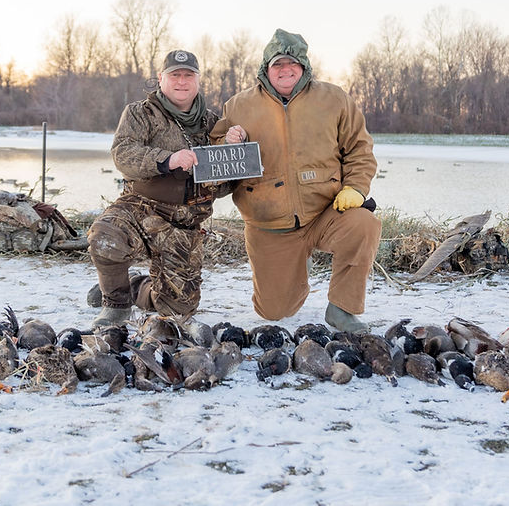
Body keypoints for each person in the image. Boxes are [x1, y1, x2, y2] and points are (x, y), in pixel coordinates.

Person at [210, 29, 382, 333]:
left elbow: (360, 149)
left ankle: (342, 309)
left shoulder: (335, 99)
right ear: (266, 69)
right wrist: (227, 141)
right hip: (269, 224)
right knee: (274, 312)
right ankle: (295, 269)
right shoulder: (238, 106)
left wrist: (355, 188)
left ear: (304, 67)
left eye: (293, 64)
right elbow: (216, 161)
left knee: (364, 224)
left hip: (325, 213)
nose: (285, 70)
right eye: (278, 64)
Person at [87, 49, 226, 328]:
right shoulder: (140, 114)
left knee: (177, 309)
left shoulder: (213, 123)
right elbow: (123, 154)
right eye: (175, 75)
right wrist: (166, 160)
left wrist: (233, 146)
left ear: (198, 81)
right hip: (141, 206)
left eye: (189, 75)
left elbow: (228, 183)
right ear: (161, 78)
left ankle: (135, 286)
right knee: (105, 236)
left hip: (186, 222)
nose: (182, 81)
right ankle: (115, 305)